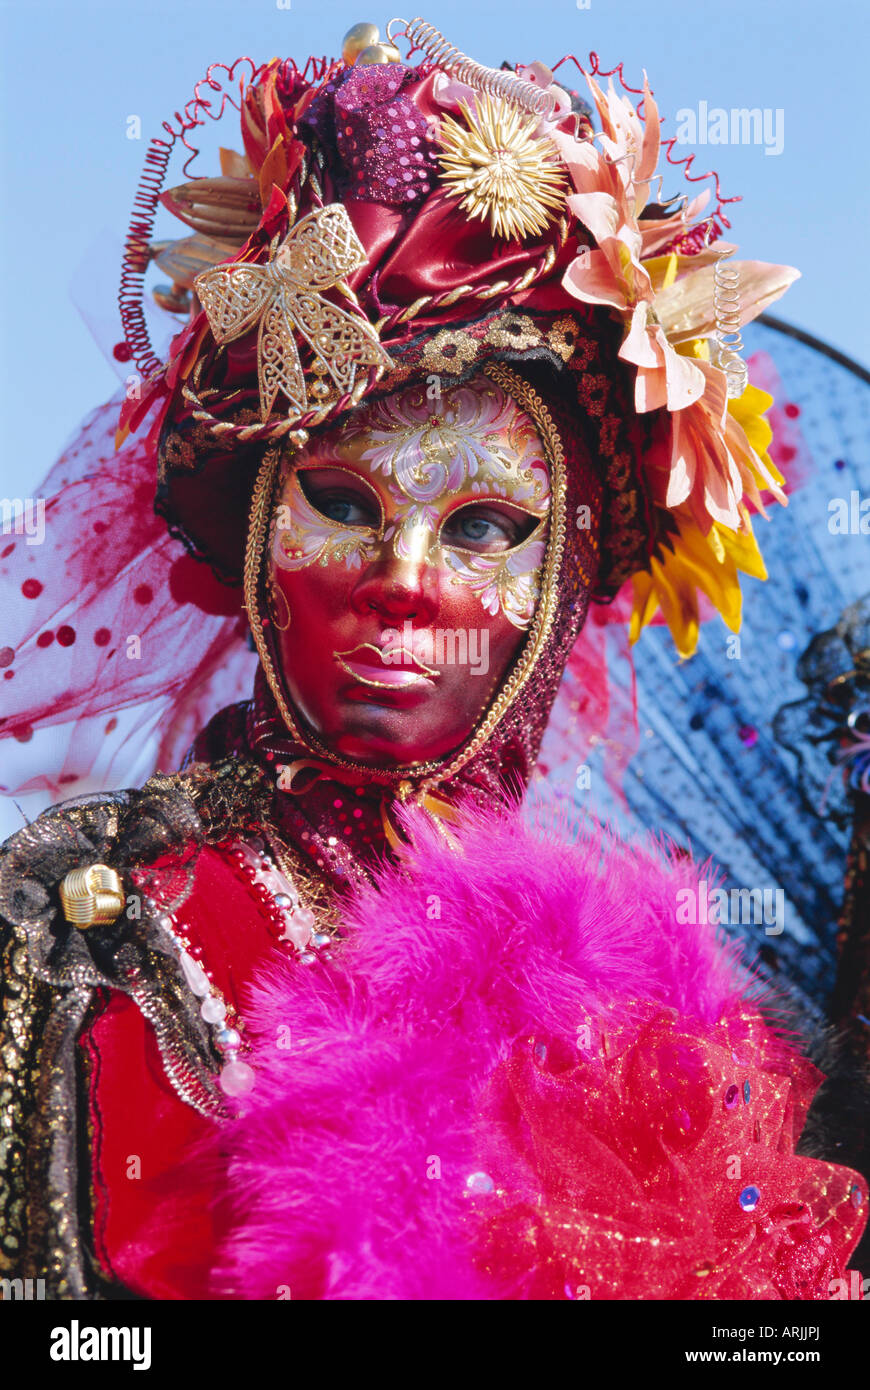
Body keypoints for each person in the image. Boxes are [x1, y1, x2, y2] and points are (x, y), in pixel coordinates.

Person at [0, 19, 866, 1301]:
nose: (405, 575)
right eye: (345, 501)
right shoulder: (111, 918)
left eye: (484, 526)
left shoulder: (644, 997)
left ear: (566, 589)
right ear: (248, 534)